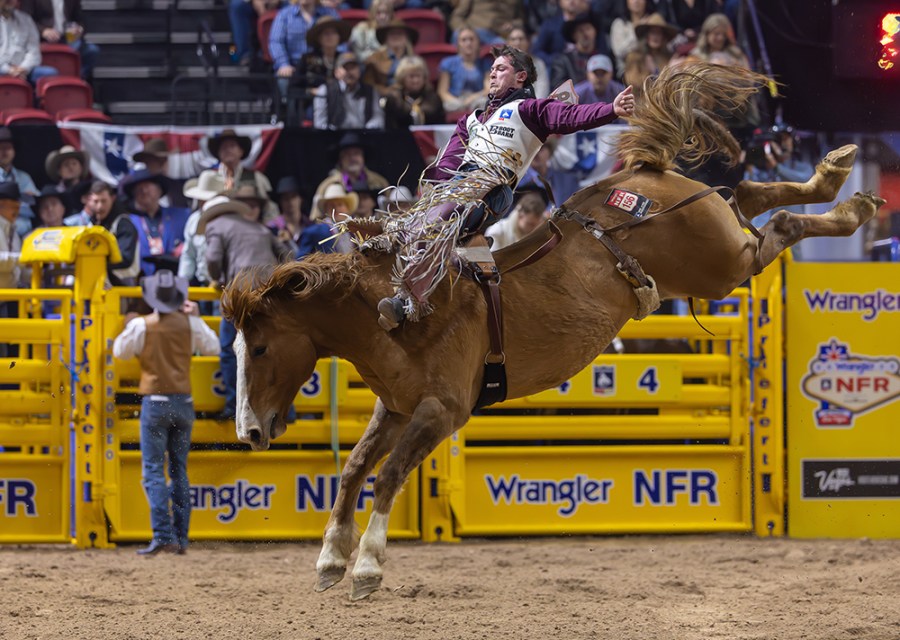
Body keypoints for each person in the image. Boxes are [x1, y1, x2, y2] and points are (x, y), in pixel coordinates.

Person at [375, 44, 635, 330]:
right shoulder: (470, 119)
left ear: (520, 77)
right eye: (491, 70)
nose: (493, 75)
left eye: (501, 69)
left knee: (440, 219)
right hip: (459, 186)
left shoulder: (531, 109)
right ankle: (457, 261)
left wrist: (611, 109)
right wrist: (433, 192)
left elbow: (570, 117)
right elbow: (448, 160)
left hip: (492, 188)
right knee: (408, 226)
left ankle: (411, 301)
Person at [112, 270, 219, 555]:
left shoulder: (142, 326)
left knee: (153, 471)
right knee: (179, 470)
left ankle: (163, 534)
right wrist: (196, 316)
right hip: (184, 402)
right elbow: (212, 345)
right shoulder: (190, 324)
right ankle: (182, 537)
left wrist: (130, 323)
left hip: (155, 402)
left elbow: (120, 351)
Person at [201, 194, 293, 421]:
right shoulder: (258, 227)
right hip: (272, 294)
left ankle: (235, 405)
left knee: (230, 350)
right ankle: (286, 408)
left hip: (240, 293)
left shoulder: (216, 226)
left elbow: (212, 259)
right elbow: (286, 253)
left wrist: (218, 279)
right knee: (273, 349)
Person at [120, 169, 190, 276]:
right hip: (139, 284)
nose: (144, 191)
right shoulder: (127, 222)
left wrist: (185, 249)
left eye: (148, 186)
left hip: (177, 279)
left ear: (159, 190)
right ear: (134, 195)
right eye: (139, 189)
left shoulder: (182, 216)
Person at [269, 0, 340, 94]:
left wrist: (340, 63)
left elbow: (340, 40)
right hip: (293, 66)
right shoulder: (284, 14)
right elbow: (276, 42)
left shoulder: (330, 13)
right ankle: (290, 107)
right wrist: (283, 64)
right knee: (285, 80)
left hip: (322, 66)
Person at [19, 0, 99, 80]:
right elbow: (24, 20)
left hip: (66, 37)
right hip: (42, 39)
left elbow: (80, 20)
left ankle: (75, 80)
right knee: (71, 51)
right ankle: (63, 81)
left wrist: (78, 29)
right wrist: (43, 31)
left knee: (92, 50)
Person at [207, 129, 276, 219]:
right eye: (224, 147)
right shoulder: (210, 178)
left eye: (232, 146)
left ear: (241, 151)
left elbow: (269, 208)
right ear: (218, 153)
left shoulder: (256, 177)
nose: (228, 150)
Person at [87, 180, 141, 286]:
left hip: (122, 284)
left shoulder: (122, 224)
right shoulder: (91, 225)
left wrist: (94, 262)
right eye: (96, 201)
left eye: (103, 201)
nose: (99, 207)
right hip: (96, 283)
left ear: (112, 199)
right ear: (89, 201)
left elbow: (125, 259)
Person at [312, 51, 384, 130]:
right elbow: (320, 122)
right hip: (334, 137)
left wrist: (367, 130)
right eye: (345, 68)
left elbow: (378, 117)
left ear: (359, 71)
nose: (349, 72)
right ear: (336, 72)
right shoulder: (325, 90)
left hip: (364, 136)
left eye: (353, 68)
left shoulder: (371, 91)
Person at [178, 170, 225, 288]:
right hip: (202, 284)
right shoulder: (194, 220)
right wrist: (182, 282)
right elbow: (189, 254)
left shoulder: (229, 221)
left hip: (226, 286)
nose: (202, 202)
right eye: (200, 198)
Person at [313, 131, 389, 202]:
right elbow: (316, 215)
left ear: (363, 157)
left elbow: (391, 211)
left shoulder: (380, 182)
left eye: (356, 153)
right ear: (340, 160)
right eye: (347, 154)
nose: (352, 158)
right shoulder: (327, 185)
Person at [0, 0, 58, 84]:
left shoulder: (26, 19)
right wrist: (8, 70)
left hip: (23, 68)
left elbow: (34, 52)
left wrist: (23, 68)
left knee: (50, 73)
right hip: (2, 68)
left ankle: (35, 97)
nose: (10, 1)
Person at [437, 28, 491, 114]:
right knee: (448, 105)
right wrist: (459, 103)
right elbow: (442, 92)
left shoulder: (485, 63)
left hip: (477, 99)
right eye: (464, 40)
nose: (468, 43)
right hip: (455, 100)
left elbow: (488, 89)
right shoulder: (447, 63)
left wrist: (472, 98)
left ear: (478, 42)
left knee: (484, 103)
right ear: (458, 43)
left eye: (471, 39)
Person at [297, 182, 359, 258]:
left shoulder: (354, 232)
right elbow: (300, 261)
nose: (337, 209)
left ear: (347, 208)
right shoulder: (314, 232)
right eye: (332, 205)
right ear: (326, 210)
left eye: (340, 205)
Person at [383, 55, 445, 129]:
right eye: (411, 76)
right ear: (402, 78)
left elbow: (441, 126)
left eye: (418, 76)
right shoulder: (394, 98)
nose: (415, 80)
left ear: (424, 77)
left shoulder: (434, 98)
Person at [623, 12, 677, 96]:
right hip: (641, 103)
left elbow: (672, 85)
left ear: (663, 37)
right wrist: (653, 75)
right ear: (646, 35)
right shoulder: (634, 57)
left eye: (659, 33)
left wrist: (656, 71)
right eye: (653, 32)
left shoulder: (668, 57)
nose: (656, 37)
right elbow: (633, 82)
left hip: (663, 102)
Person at [0, 126, 39, 237]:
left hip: (24, 233)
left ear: (14, 151)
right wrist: (21, 200)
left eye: (8, 148)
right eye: (1, 148)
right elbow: (27, 202)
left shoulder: (24, 178)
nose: (5, 152)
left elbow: (35, 206)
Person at [362, 18, 417, 96]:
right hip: (382, 100)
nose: (396, 36)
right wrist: (385, 91)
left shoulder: (415, 61)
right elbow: (368, 85)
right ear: (385, 38)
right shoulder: (374, 58)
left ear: (406, 38)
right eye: (392, 33)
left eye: (400, 33)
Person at [550, 14, 606, 89]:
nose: (585, 34)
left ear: (595, 32)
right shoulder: (562, 61)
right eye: (580, 30)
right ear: (573, 35)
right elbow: (559, 89)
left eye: (588, 29)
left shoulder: (605, 59)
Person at [484, 189, 548, 250]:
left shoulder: (535, 238)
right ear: (520, 216)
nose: (533, 228)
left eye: (536, 225)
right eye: (530, 224)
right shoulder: (497, 231)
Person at [610, 0, 657, 74]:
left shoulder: (654, 21)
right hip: (625, 72)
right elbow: (619, 52)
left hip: (653, 68)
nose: (636, 1)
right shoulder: (619, 24)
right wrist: (637, 31)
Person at [449, 0, 525, 47]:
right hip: (475, 30)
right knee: (458, 35)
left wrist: (513, 24)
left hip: (500, 35)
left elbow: (521, 20)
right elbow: (457, 17)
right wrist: (465, 30)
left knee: (509, 46)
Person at [266, 175, 310, 253]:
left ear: (301, 199)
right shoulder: (272, 229)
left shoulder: (311, 226)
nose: (290, 202)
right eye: (286, 198)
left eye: (293, 197)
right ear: (280, 201)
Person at [505, 27, 548, 98]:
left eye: (521, 39)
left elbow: (542, 90)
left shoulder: (538, 63)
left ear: (528, 42)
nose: (517, 43)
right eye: (513, 39)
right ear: (508, 43)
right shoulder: (502, 65)